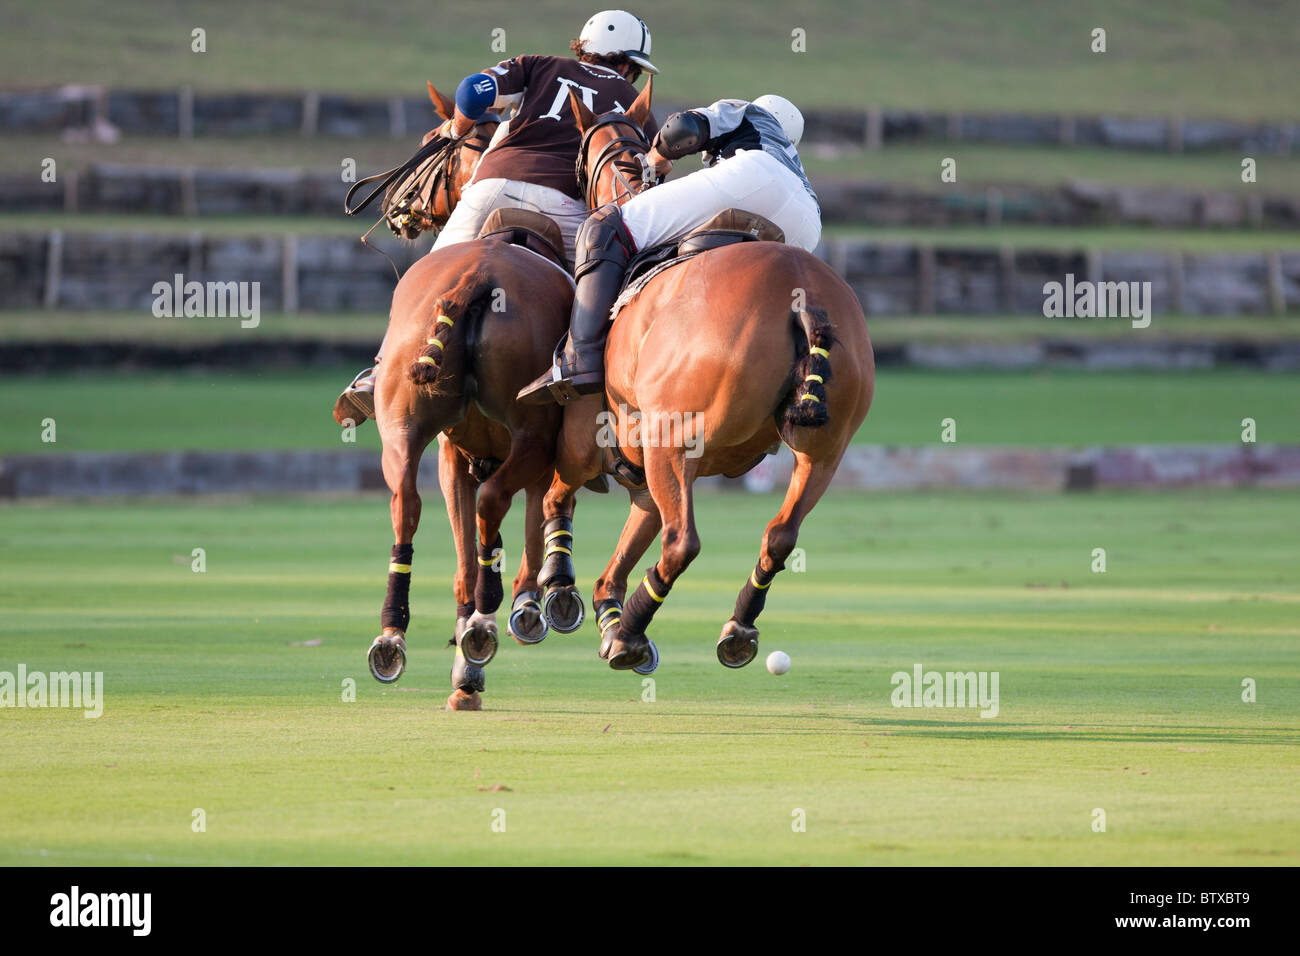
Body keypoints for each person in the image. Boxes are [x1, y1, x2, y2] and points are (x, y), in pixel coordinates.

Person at [335, 10, 659, 426]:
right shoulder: (636, 107)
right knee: (596, 302)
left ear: (583, 47)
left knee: (427, 276)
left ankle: (378, 373)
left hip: (492, 188)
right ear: (628, 64)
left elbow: (471, 92)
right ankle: (589, 407)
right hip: (568, 206)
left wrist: (458, 127)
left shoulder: (538, 65)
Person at [517, 95, 820, 405]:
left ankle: (579, 356)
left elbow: (684, 127)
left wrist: (655, 158)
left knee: (605, 227)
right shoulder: (794, 164)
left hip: (755, 177)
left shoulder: (751, 114)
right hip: (808, 221)